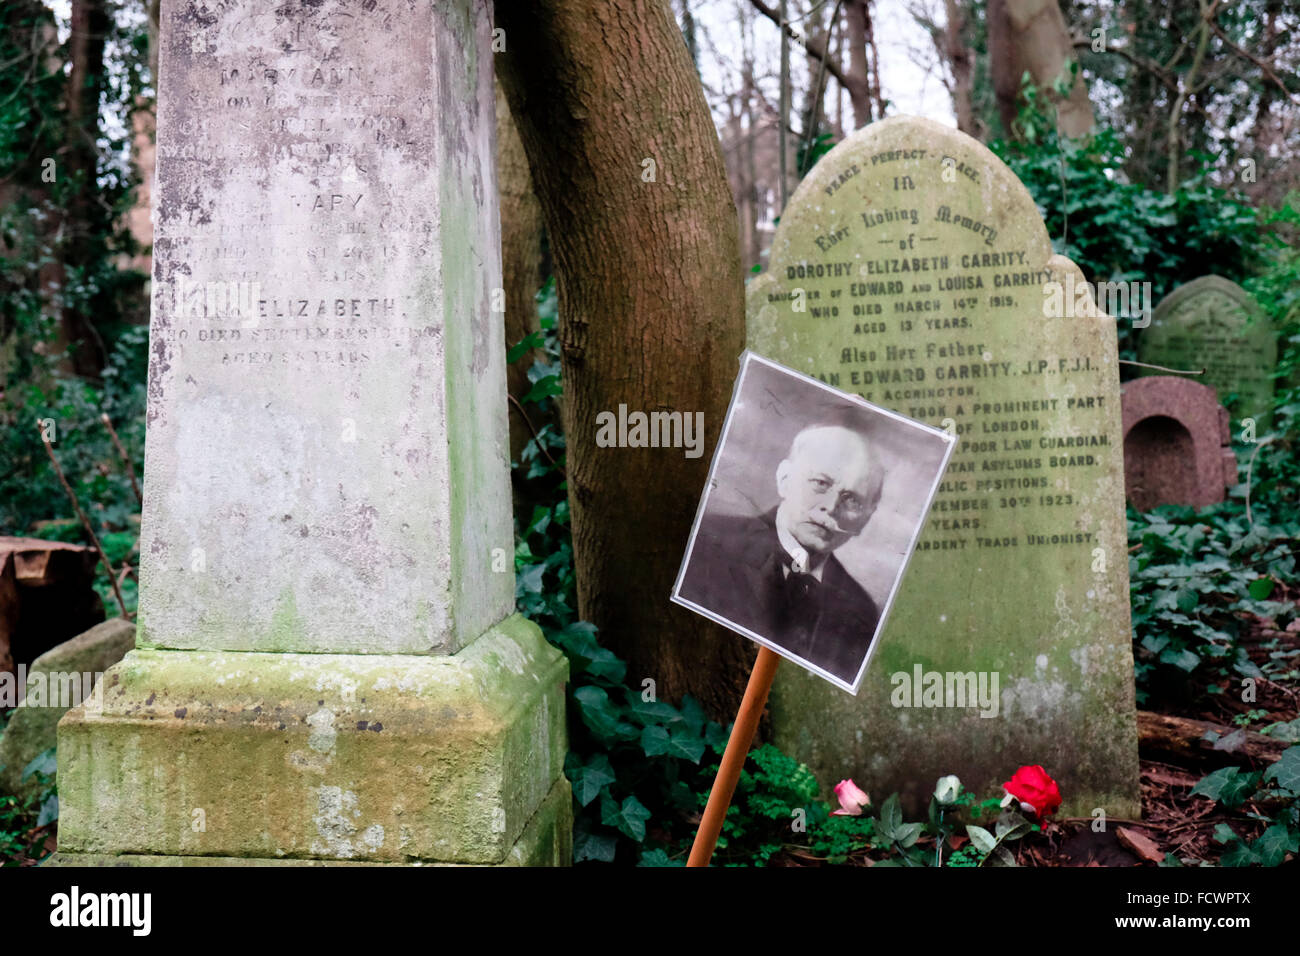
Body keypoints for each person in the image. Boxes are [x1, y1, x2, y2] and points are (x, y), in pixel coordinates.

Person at [680, 422, 885, 684]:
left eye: (852, 500)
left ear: (867, 517)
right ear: (784, 480)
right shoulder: (707, 543)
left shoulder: (860, 612)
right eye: (821, 483)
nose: (830, 507)